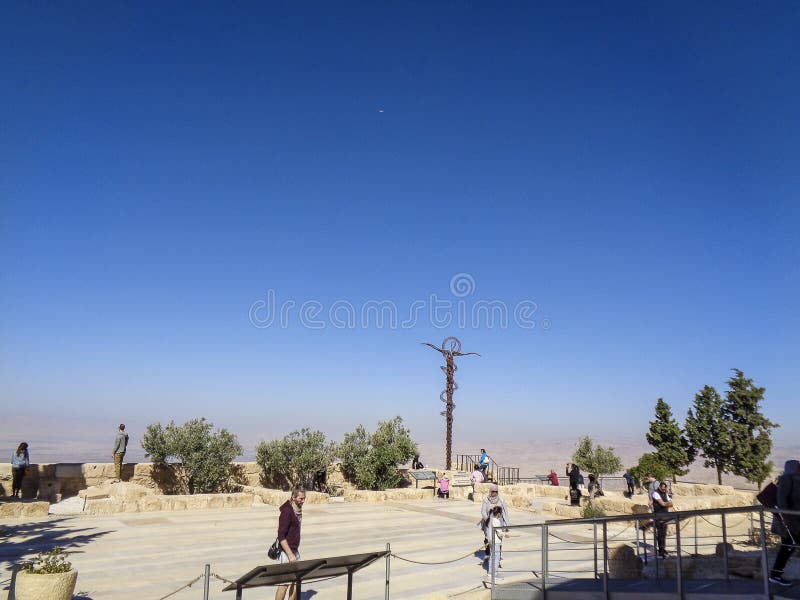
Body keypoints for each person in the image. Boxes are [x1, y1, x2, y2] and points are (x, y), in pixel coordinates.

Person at [769, 459, 800, 586]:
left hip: (795, 521)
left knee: (789, 547)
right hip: (788, 522)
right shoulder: (786, 479)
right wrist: (787, 519)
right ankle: (775, 575)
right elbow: (782, 500)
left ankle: (775, 574)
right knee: (787, 546)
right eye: (798, 466)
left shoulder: (795, 479)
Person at [275, 488, 306, 600]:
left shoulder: (297, 509)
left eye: (304, 498)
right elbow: (281, 535)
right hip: (287, 552)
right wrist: (289, 554)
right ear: (293, 497)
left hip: (294, 550)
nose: (303, 501)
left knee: (296, 581)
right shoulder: (287, 511)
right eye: (300, 498)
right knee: (284, 584)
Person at [480, 483, 509, 556]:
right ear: (490, 491)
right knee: (488, 538)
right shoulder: (486, 500)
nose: (494, 493)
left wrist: (506, 525)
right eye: (493, 491)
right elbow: (483, 511)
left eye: (495, 492)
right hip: (488, 523)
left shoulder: (501, 500)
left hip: (499, 523)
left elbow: (505, 513)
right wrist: (487, 519)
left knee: (498, 539)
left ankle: (497, 557)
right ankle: (488, 554)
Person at [651, 481, 673, 558]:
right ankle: (661, 550)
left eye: (665, 488)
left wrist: (667, 503)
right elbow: (662, 504)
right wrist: (667, 503)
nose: (664, 490)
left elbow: (671, 503)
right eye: (662, 488)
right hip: (658, 516)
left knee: (664, 533)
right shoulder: (655, 493)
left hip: (665, 515)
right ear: (659, 487)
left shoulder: (665, 493)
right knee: (660, 534)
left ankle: (663, 549)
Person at [487, 505, 507, 581]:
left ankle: (490, 572)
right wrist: (505, 534)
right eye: (501, 513)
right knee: (496, 557)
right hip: (495, 541)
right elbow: (499, 533)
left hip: (491, 540)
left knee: (492, 556)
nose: (501, 514)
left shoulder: (491, 519)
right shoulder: (496, 521)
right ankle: (494, 573)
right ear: (498, 513)